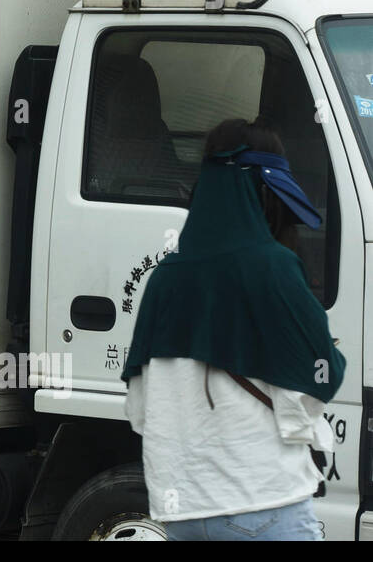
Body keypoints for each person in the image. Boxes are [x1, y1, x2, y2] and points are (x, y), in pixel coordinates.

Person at [121, 117, 345, 540]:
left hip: (182, 513)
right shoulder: (274, 269)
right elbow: (318, 381)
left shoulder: (164, 278)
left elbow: (140, 409)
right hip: (263, 504)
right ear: (265, 193)